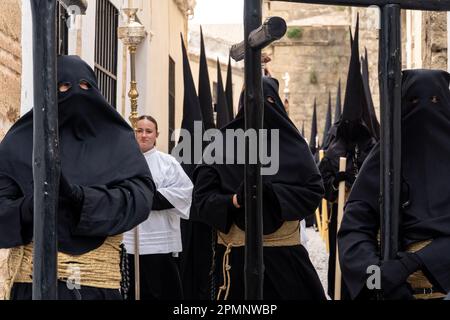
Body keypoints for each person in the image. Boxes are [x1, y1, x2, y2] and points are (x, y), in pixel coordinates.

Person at [0, 55, 155, 300]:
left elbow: (140, 197)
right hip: (32, 287)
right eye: (63, 88)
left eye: (85, 87)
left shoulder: (117, 140)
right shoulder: (21, 141)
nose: (75, 94)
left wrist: (81, 199)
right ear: (47, 92)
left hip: (97, 289)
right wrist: (33, 206)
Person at [193, 76, 326, 300]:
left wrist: (274, 193)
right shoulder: (220, 145)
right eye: (254, 103)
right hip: (235, 261)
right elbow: (202, 201)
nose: (261, 110)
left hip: (287, 261)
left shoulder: (295, 146)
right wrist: (235, 200)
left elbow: (312, 192)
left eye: (268, 102)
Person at [338, 69, 450, 300]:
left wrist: (414, 262)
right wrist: (378, 279)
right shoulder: (383, 161)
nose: (424, 110)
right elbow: (354, 231)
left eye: (435, 101)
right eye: (413, 101)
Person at [123, 115, 193, 300]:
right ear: (133, 133)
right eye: (139, 130)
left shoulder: (167, 163)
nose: (143, 135)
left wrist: (145, 200)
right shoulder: (121, 162)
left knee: (159, 291)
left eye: (148, 131)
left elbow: (184, 192)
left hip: (158, 241)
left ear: (156, 135)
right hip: (128, 239)